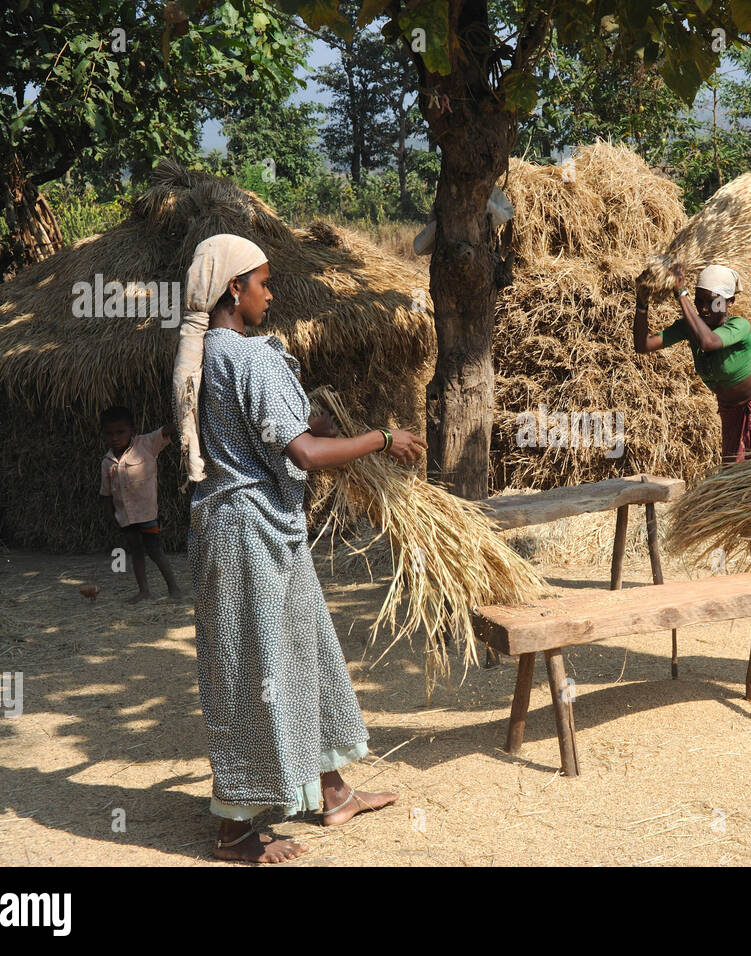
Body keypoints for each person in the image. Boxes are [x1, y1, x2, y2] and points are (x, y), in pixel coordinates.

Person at [173, 233, 427, 863]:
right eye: (263, 282)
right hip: (248, 539)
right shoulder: (249, 359)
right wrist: (381, 437)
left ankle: (334, 791)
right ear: (235, 289)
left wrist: (319, 425)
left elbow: (278, 430)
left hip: (255, 533)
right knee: (252, 671)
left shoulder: (210, 353)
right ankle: (235, 827)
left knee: (305, 650)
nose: (270, 292)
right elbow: (305, 455)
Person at [634, 264, 751, 464]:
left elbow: (708, 342)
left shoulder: (738, 326)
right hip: (732, 414)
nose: (704, 308)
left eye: (713, 302)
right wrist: (642, 301)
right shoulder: (689, 327)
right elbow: (643, 345)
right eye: (699, 300)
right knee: (732, 486)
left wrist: (680, 292)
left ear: (730, 301)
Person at [98, 407, 182, 603]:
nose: (115, 438)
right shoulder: (107, 462)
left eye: (121, 432)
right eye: (109, 434)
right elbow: (105, 493)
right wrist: (110, 517)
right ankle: (144, 591)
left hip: (146, 515)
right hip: (125, 517)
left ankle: (174, 589)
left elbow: (168, 430)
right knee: (136, 552)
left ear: (132, 431)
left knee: (155, 551)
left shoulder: (146, 444)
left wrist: (185, 415)